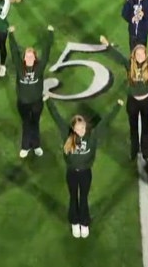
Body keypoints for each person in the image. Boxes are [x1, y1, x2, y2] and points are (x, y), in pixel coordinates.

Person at [45, 92, 123, 239]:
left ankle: (84, 223)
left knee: (84, 198)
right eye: (79, 128)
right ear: (74, 128)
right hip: (72, 173)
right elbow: (56, 117)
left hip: (86, 172)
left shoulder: (92, 136)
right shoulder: (67, 134)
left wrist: (117, 107)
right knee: (74, 197)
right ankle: (75, 222)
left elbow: (105, 122)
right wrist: (48, 101)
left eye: (83, 127)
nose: (81, 130)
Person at [102, 30, 148, 162]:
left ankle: (146, 152)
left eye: (142, 53)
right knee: (133, 128)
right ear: (134, 55)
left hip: (147, 101)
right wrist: (107, 45)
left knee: (146, 128)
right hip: (133, 102)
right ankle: (134, 151)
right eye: (138, 53)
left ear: (146, 54)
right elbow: (117, 56)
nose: (140, 56)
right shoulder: (129, 65)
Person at [9, 25, 54, 158]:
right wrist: (11, 35)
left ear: (35, 58)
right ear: (24, 58)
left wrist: (50, 34)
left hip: (36, 102)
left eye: (31, 56)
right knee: (26, 124)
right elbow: (14, 51)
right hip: (23, 102)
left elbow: (46, 52)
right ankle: (25, 146)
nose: (29, 58)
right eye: (27, 56)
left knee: (35, 123)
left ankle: (36, 145)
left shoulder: (39, 68)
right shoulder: (19, 67)